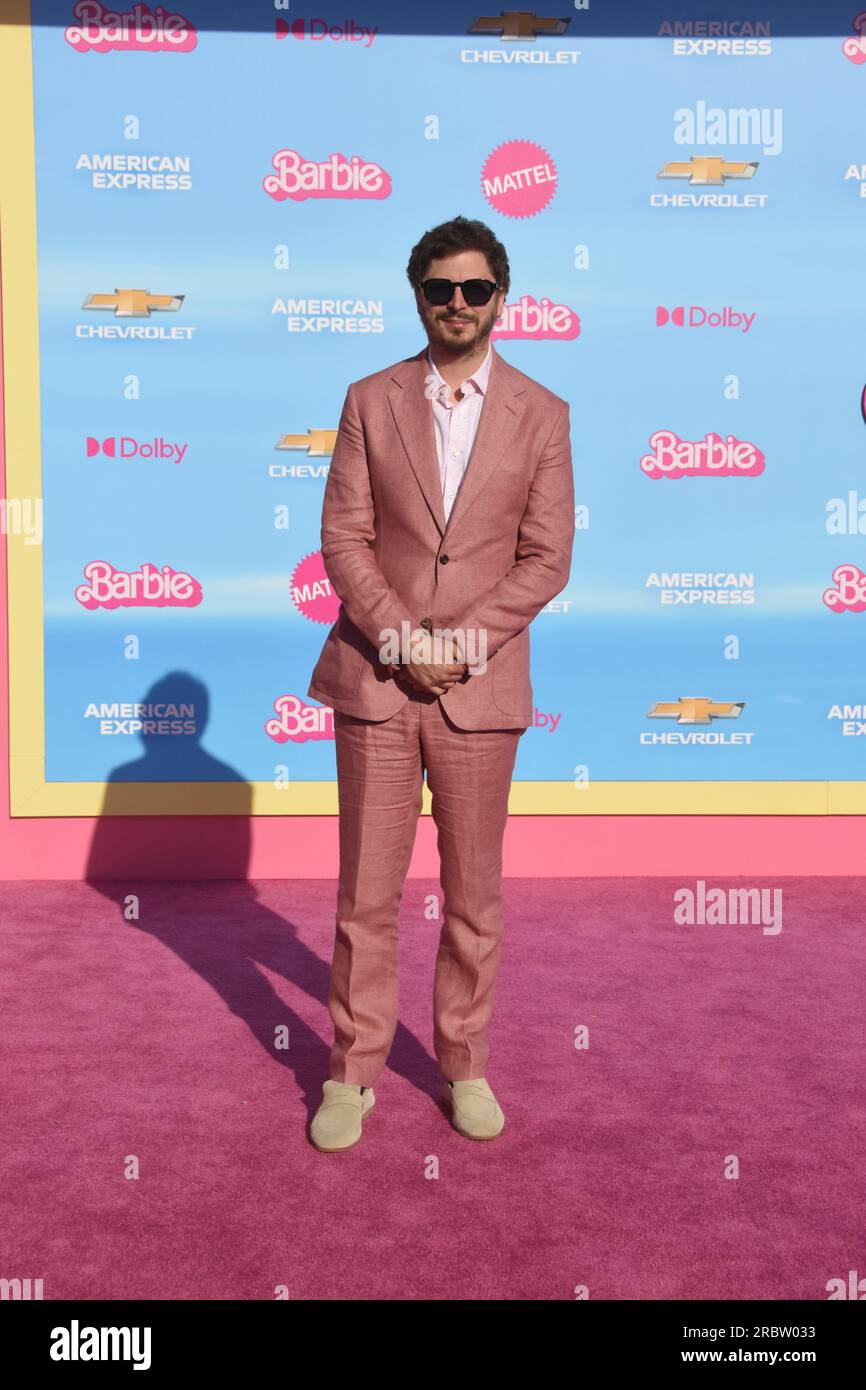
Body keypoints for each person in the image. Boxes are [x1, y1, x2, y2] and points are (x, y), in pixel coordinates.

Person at [306, 214, 574, 1151]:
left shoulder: (543, 413)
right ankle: (351, 1074)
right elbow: (343, 537)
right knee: (365, 898)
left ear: (503, 296)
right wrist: (398, 637)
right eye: (439, 288)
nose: (457, 304)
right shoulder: (368, 399)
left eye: (475, 289)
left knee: (473, 900)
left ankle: (464, 1065)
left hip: (480, 688)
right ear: (415, 294)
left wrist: (457, 643)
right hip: (378, 684)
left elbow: (545, 560)